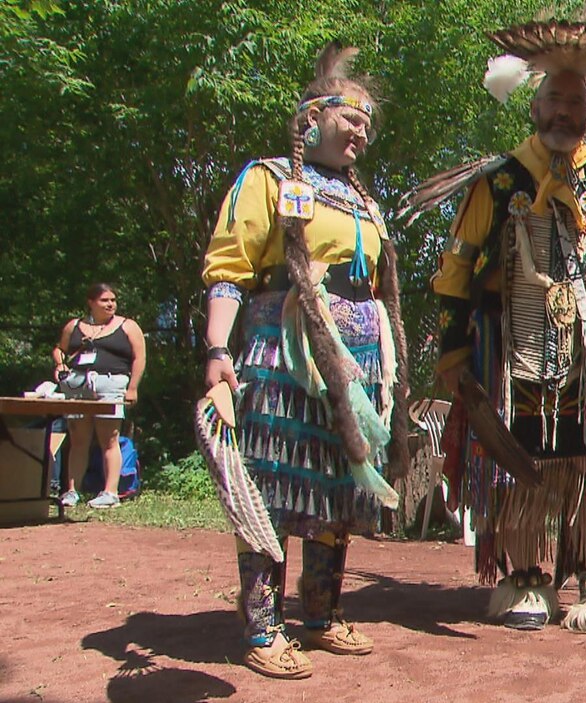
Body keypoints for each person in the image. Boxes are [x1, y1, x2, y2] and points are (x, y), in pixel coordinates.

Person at [428, 9, 586, 634]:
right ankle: (525, 577)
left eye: (576, 103)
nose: (565, 113)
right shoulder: (500, 179)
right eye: (555, 100)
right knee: (524, 455)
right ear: (535, 107)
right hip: (515, 350)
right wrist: (454, 356)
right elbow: (456, 271)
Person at [200, 42, 408, 680]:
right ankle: (263, 624)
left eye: (368, 124)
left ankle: (319, 615)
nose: (362, 132)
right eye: (353, 118)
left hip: (358, 362)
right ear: (313, 117)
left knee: (336, 482)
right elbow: (230, 269)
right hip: (282, 351)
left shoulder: (364, 200)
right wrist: (216, 353)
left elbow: (377, 286)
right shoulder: (269, 179)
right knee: (272, 479)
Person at [53, 283, 146, 509]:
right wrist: (59, 365)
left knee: (109, 439)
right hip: (78, 386)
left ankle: (110, 492)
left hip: (111, 385)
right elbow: (59, 349)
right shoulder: (74, 326)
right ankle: (72, 491)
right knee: (78, 440)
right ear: (91, 302)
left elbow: (139, 357)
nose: (110, 304)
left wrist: (132, 387)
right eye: (104, 300)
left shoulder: (127, 326)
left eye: (113, 300)